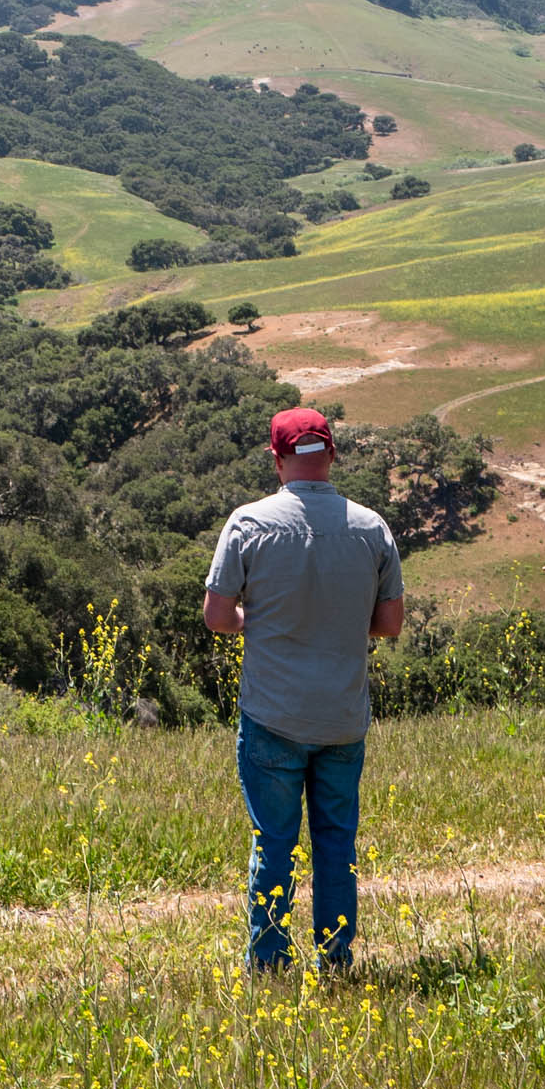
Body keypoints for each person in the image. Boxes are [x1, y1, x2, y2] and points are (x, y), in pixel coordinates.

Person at [200, 406, 406, 975]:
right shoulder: (372, 528)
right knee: (336, 841)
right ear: (333, 454)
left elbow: (217, 616)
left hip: (273, 712)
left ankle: (269, 963)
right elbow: (389, 625)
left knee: (274, 843)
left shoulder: (248, 523)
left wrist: (252, 622)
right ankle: (337, 958)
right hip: (342, 715)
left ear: (277, 459)